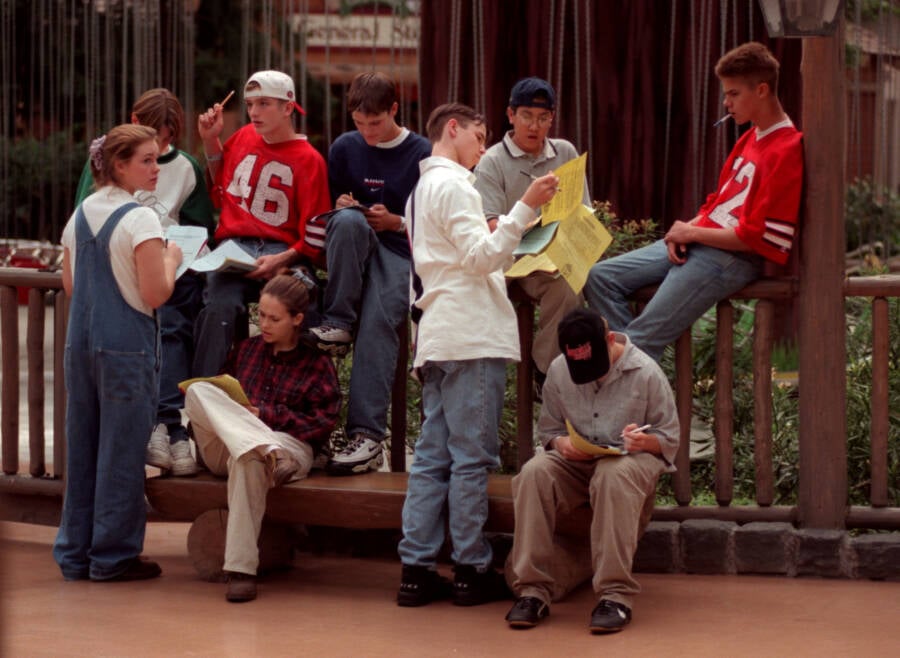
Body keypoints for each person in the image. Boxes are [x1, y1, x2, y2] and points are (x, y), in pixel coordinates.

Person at [396, 103, 559, 607]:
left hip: (441, 332)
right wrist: (525, 206)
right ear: (452, 129)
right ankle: (470, 566)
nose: (484, 147)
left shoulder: (420, 192)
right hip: (470, 332)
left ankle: (416, 570)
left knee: (431, 457)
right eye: (479, 135)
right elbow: (481, 256)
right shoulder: (454, 185)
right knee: (470, 459)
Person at [584, 42, 804, 361]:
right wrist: (685, 230)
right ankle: (639, 372)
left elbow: (757, 239)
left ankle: (631, 386)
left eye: (733, 94)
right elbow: (718, 202)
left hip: (731, 258)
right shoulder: (750, 137)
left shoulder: (788, 148)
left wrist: (694, 234)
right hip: (701, 241)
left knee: (640, 339)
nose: (726, 103)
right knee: (600, 278)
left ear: (761, 90)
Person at [53, 124, 183, 581]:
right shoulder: (141, 218)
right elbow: (154, 293)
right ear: (119, 165)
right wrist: (171, 259)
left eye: (156, 158)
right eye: (146, 160)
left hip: (81, 345)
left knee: (84, 446)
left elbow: (70, 286)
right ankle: (112, 557)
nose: (155, 169)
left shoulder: (81, 213)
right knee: (122, 452)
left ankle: (74, 553)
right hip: (125, 348)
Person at [504, 307, 679, 633]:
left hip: (629, 461)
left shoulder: (646, 372)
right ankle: (532, 591)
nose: (588, 371)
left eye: (594, 363)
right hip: (576, 461)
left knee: (612, 475)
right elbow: (549, 430)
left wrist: (644, 442)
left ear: (609, 340)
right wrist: (559, 444)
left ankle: (616, 596)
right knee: (533, 473)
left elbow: (669, 439)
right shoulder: (558, 370)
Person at [74, 88, 215, 477]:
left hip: (171, 264)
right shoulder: (107, 163)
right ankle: (164, 425)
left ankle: (166, 424)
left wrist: (181, 254)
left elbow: (201, 223)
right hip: (124, 267)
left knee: (175, 323)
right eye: (151, 146)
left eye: (166, 142)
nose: (159, 153)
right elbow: (86, 219)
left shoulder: (186, 167)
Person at [302, 72, 431, 475]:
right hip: (353, 247)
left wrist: (397, 222)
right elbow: (330, 211)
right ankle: (338, 320)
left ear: (394, 110)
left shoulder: (422, 153)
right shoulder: (344, 147)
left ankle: (366, 435)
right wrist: (344, 204)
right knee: (346, 221)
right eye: (359, 124)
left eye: (375, 123)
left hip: (401, 251)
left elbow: (434, 221)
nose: (367, 132)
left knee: (379, 324)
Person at [184, 274, 341, 602]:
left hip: (287, 447)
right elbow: (225, 401)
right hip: (234, 444)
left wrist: (266, 416)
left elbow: (322, 423)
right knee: (199, 390)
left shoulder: (317, 363)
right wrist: (241, 414)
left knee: (249, 459)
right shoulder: (247, 350)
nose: (264, 324)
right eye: (260, 316)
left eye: (273, 318)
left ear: (297, 319)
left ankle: (240, 570)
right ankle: (262, 445)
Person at [194, 70, 331, 378]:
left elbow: (314, 234)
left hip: (284, 249)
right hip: (235, 246)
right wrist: (210, 140)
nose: (254, 112)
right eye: (250, 104)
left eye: (264, 103)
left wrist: (284, 258)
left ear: (287, 108)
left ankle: (297, 390)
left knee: (301, 303)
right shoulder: (243, 135)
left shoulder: (310, 160)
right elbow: (223, 189)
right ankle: (202, 394)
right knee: (218, 307)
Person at [474, 77, 590, 395]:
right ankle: (485, 384)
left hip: (552, 256)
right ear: (511, 115)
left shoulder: (564, 151)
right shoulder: (492, 161)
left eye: (542, 118)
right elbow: (491, 225)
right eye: (526, 116)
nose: (534, 126)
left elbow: (583, 212)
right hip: (507, 257)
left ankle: (546, 372)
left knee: (569, 286)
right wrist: (531, 219)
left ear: (551, 119)